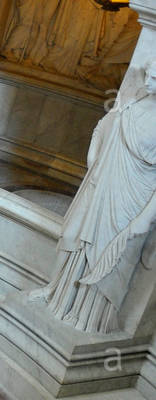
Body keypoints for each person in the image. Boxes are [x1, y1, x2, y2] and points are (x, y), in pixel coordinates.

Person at [29, 59, 156, 333]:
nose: (148, 81)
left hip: (130, 199)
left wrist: (147, 216)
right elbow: (105, 125)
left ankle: (88, 317)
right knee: (72, 235)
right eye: (148, 74)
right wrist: (93, 156)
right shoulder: (134, 102)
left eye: (155, 78)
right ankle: (57, 292)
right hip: (102, 183)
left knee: (108, 256)